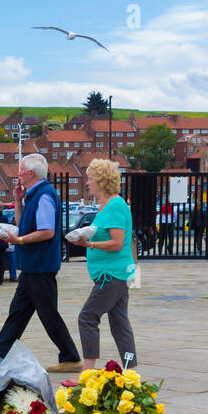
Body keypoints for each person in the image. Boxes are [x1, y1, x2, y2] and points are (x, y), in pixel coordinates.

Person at [0, 153, 82, 371]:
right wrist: (18, 200)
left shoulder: (44, 195)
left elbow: (47, 231)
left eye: (21, 169)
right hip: (33, 265)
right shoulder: (33, 195)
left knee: (47, 313)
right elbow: (22, 225)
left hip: (40, 266)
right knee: (18, 312)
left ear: (30, 173)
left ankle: (71, 357)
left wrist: (18, 240)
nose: (18, 173)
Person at [78, 158, 138, 371]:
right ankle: (131, 371)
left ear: (102, 180)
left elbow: (117, 243)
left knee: (87, 317)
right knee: (120, 323)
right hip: (113, 273)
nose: (87, 183)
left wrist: (89, 244)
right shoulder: (107, 206)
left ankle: (87, 372)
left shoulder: (114, 205)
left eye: (90, 178)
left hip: (111, 274)